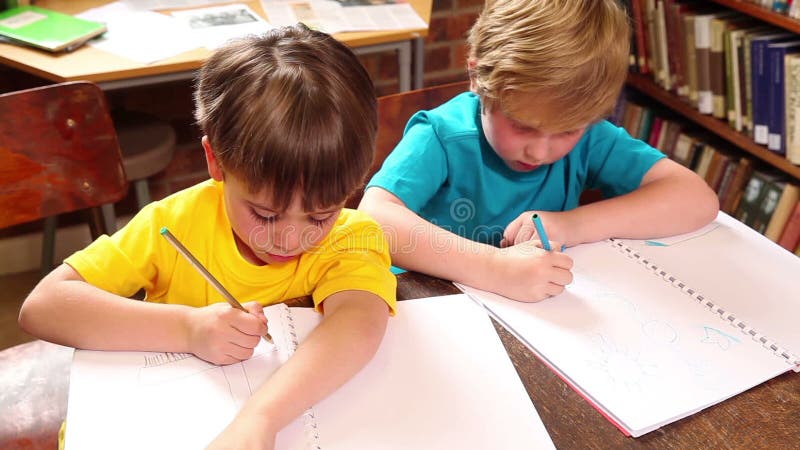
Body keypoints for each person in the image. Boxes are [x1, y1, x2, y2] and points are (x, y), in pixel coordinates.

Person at [19, 25, 396, 450]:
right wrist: (187, 328)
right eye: (266, 214)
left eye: (320, 215)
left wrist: (262, 417)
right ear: (215, 161)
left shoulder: (353, 237)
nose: (291, 238)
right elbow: (43, 307)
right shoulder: (176, 222)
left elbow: (360, 325)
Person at [359, 0, 719, 302]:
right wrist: (493, 268)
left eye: (566, 131)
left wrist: (571, 224)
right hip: (426, 306)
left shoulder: (590, 136)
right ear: (476, 77)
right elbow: (374, 218)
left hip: (530, 316)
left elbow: (696, 198)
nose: (540, 151)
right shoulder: (441, 135)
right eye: (522, 125)